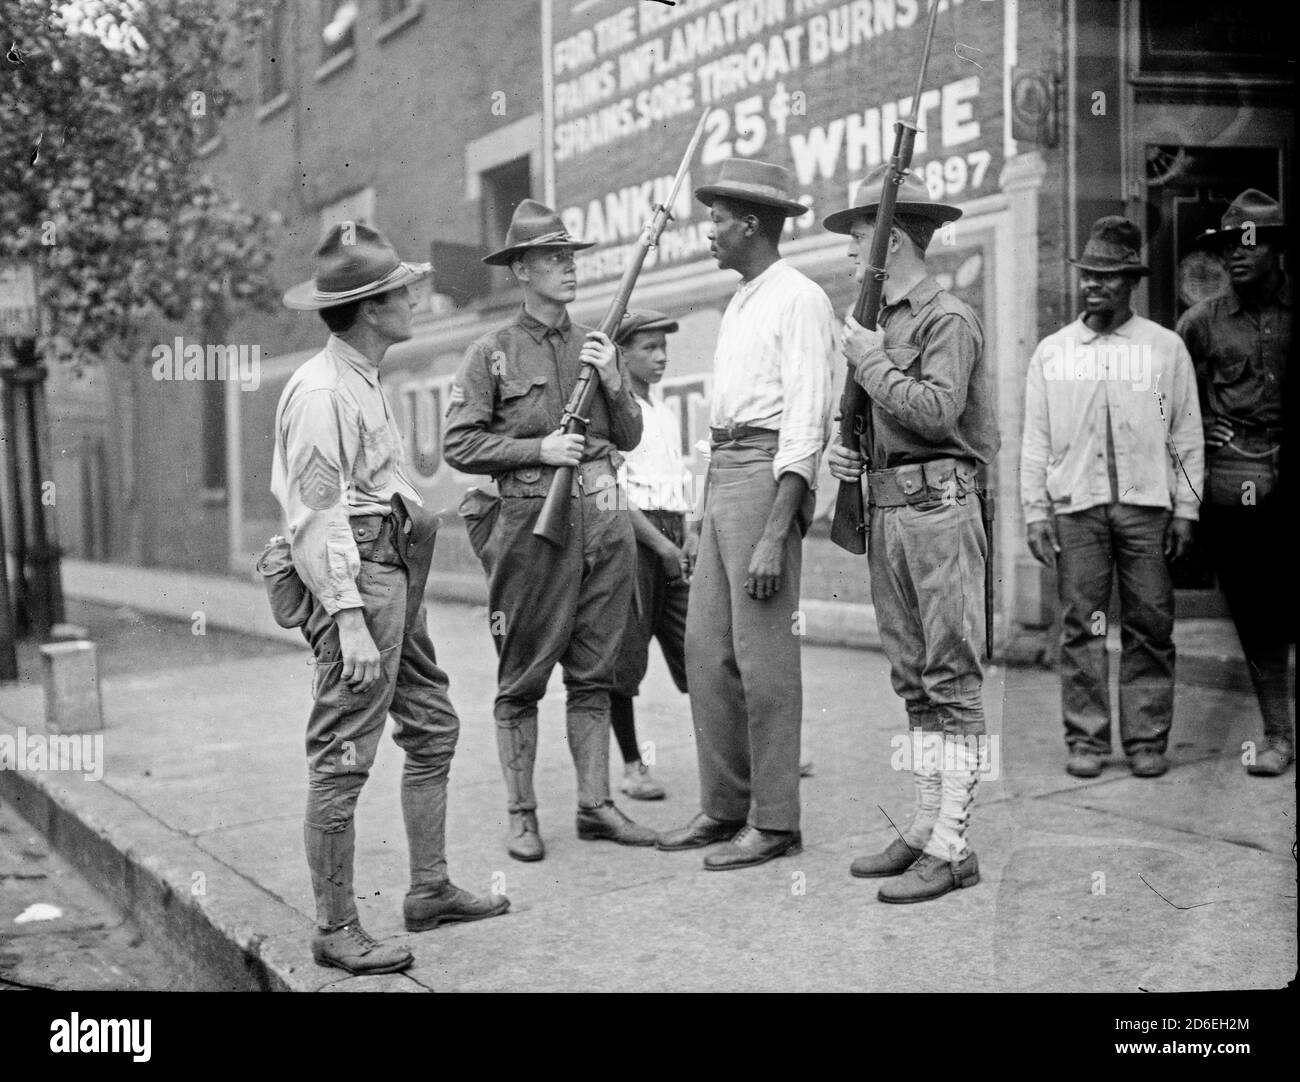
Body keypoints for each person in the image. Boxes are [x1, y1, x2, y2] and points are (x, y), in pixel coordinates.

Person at [271, 223, 507, 977]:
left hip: (392, 573)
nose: (416, 297)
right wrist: (348, 620)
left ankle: (430, 888)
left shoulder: (361, 377)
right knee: (342, 755)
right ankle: (337, 929)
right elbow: (314, 513)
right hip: (361, 583)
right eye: (403, 290)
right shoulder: (319, 391)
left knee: (432, 726)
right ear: (372, 307)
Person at [443, 199, 656, 862]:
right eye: (552, 259)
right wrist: (537, 451)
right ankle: (522, 813)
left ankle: (595, 807)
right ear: (520, 272)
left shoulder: (599, 342)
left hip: (601, 519)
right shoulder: (492, 353)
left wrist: (616, 381)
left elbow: (629, 435)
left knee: (595, 672)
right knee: (523, 676)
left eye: (570, 257)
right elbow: (459, 443)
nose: (567, 269)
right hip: (530, 525)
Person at [825, 165, 998, 904]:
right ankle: (927, 826)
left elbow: (936, 412)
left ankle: (955, 845)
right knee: (914, 678)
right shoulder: (888, 322)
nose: (849, 255)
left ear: (892, 239)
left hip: (939, 511)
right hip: (892, 510)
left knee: (952, 679)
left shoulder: (945, 319)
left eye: (858, 239)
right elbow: (891, 425)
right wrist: (849, 450)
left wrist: (866, 361)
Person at [657, 159, 835, 870]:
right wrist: (703, 509)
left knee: (765, 663)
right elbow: (724, 422)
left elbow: (807, 419)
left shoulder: (800, 299)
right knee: (706, 653)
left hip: (767, 480)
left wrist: (775, 530)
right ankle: (726, 804)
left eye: (718, 219)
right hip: (725, 474)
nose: (709, 231)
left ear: (753, 223)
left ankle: (776, 821)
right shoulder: (741, 301)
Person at [1020, 215, 1204, 781]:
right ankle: (1088, 740)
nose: (1094, 285)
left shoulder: (1163, 347)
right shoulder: (1053, 351)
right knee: (1083, 625)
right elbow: (1037, 439)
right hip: (1077, 508)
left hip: (1146, 508)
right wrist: (1034, 511)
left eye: (1108, 276)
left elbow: (1186, 432)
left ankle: (1147, 738)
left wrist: (1186, 509)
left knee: (1151, 623)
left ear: (1131, 282)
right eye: (1088, 275)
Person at [1177, 189, 1292, 776]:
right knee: (1258, 612)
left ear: (1276, 248)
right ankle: (1278, 735)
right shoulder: (1201, 322)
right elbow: (1163, 396)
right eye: (1228, 247)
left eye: (1249, 242)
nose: (1236, 256)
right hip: (1235, 482)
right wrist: (1203, 427)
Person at [610, 310, 691, 801]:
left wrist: (688, 532)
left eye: (664, 347)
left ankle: (743, 750)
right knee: (625, 654)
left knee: (702, 649)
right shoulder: (615, 412)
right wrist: (659, 545)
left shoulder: (663, 410)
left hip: (673, 532)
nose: (660, 357)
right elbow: (612, 493)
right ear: (622, 354)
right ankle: (633, 765)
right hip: (636, 539)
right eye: (648, 348)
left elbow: (678, 480)